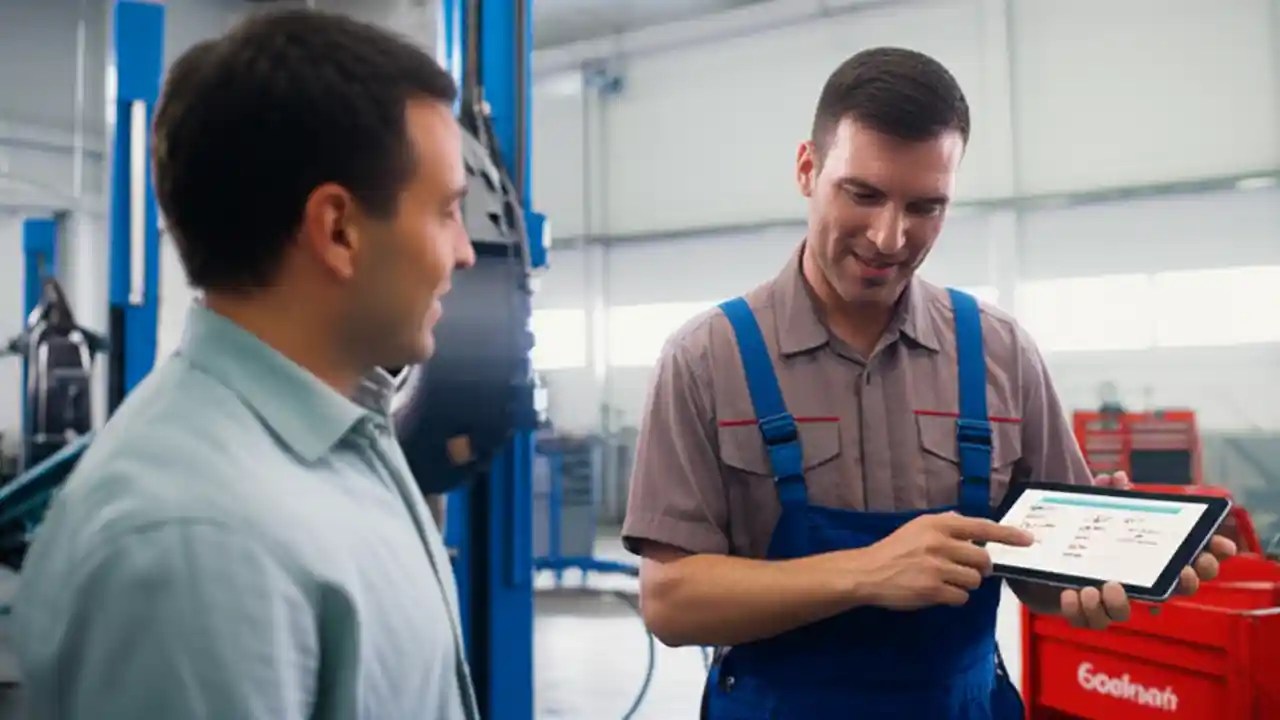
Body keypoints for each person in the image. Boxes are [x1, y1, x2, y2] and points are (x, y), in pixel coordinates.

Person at [622, 47, 1236, 719]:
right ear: (807, 169)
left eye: (925, 207)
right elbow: (671, 602)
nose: (890, 236)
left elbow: (1036, 576)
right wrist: (866, 572)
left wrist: (1098, 573)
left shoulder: (1001, 354)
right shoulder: (707, 361)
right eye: (863, 195)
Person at [12, 10, 478, 720]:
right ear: (338, 230)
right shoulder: (199, 543)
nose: (465, 252)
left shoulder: (340, 447)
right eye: (447, 211)